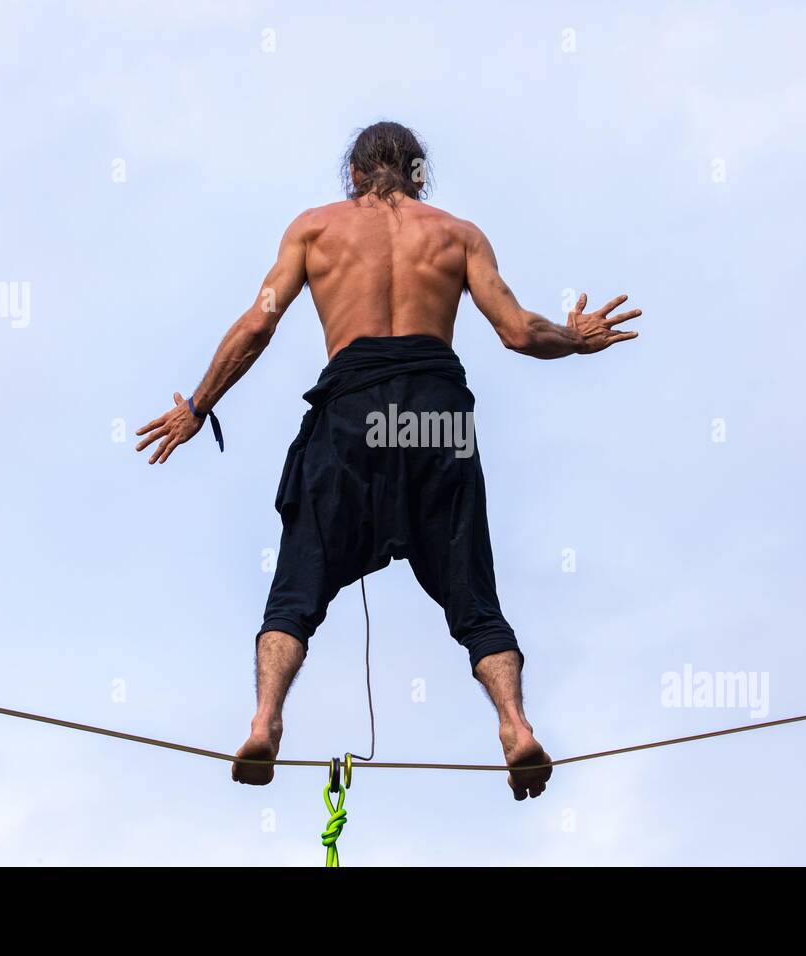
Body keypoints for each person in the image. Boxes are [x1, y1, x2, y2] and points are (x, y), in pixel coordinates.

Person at [136, 121, 640, 800]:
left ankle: (265, 720)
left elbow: (258, 323)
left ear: (353, 172)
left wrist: (197, 406)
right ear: (418, 172)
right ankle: (516, 726)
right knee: (473, 597)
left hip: (352, 416)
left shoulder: (313, 231)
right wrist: (574, 339)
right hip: (437, 418)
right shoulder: (458, 235)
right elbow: (520, 331)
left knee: (297, 588)